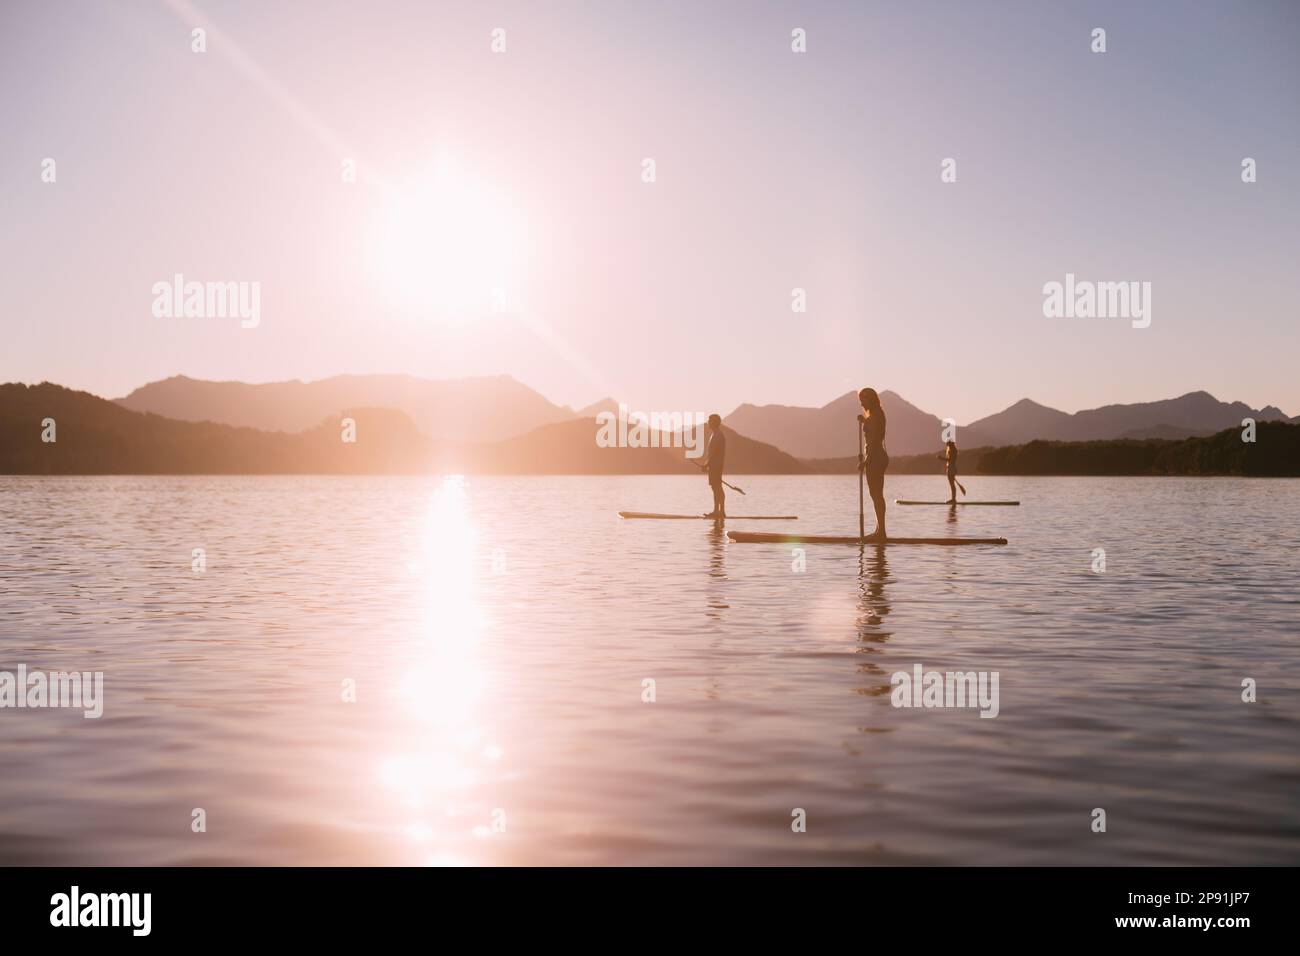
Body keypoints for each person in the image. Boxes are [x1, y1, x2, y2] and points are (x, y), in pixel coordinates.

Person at [857, 388, 888, 542]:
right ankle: (879, 530)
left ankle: (881, 532)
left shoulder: (876, 416)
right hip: (877, 457)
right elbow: (873, 431)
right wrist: (864, 420)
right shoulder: (876, 414)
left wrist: (866, 461)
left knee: (876, 495)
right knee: (876, 495)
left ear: (871, 399)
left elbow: (875, 441)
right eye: (860, 400)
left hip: (875, 458)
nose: (861, 403)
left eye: (864, 399)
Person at [701, 413, 727, 519]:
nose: (708, 422)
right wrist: (707, 465)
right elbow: (711, 453)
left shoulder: (718, 435)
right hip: (714, 466)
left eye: (709, 420)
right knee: (715, 488)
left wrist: (706, 464)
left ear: (714, 422)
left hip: (716, 466)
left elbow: (714, 453)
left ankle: (720, 511)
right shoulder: (714, 434)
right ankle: (718, 511)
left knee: (717, 488)